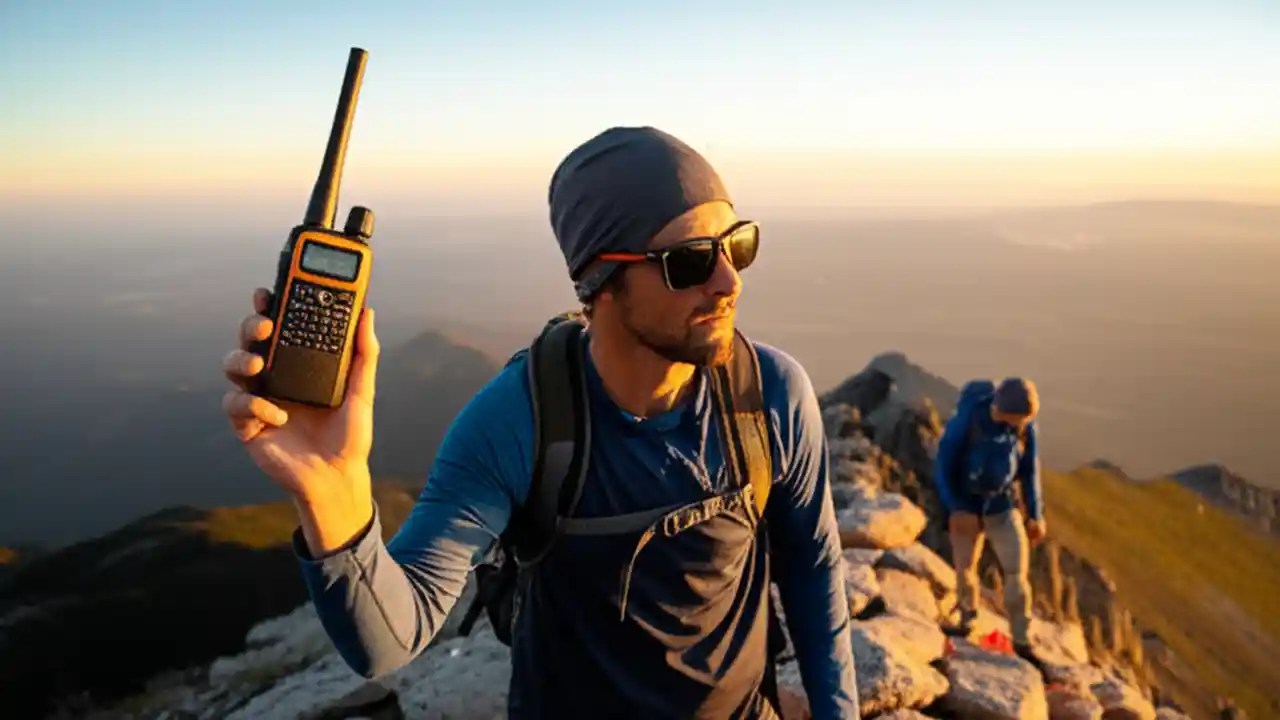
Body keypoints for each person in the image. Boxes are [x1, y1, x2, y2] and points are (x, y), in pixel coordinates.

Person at [221, 126, 859, 719]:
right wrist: (331, 494)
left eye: (737, 244)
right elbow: (391, 640)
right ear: (601, 279)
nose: (729, 281)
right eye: (689, 261)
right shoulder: (518, 423)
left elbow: (810, 564)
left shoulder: (768, 395)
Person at [933, 376, 1046, 670]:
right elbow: (943, 468)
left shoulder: (1023, 427)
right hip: (967, 505)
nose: (1016, 424)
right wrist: (957, 508)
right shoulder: (967, 422)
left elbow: (1029, 472)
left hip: (1002, 504)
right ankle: (967, 618)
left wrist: (1036, 514)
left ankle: (1021, 639)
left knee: (1016, 571)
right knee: (966, 567)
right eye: (1014, 419)